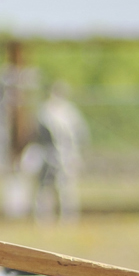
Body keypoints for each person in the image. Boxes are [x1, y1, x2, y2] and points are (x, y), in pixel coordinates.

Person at [33, 82, 88, 222]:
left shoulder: (70, 112)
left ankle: (69, 217)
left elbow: (80, 133)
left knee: (66, 187)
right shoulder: (44, 111)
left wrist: (77, 154)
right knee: (45, 187)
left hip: (68, 154)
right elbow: (37, 135)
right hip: (48, 154)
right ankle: (44, 217)